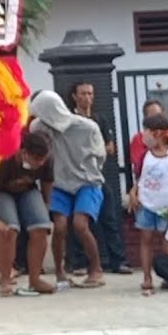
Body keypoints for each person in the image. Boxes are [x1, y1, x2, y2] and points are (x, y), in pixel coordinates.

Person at [28, 90, 106, 289]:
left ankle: (96, 269)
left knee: (81, 224)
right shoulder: (38, 128)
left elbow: (101, 156)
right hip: (59, 183)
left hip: (87, 182)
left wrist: (88, 170)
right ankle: (60, 272)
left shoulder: (88, 127)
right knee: (60, 227)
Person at [0, 131, 55, 297]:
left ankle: (35, 279)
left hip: (28, 191)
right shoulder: (4, 160)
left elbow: (47, 182)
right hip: (1, 192)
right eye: (36, 159)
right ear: (24, 152)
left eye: (43, 160)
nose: (40, 163)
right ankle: (5, 280)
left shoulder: (47, 160)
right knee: (9, 229)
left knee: (41, 227)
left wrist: (45, 206)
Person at [68, 82, 130, 276]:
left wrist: (91, 149)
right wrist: (95, 148)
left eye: (90, 93)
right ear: (74, 97)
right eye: (83, 93)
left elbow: (110, 148)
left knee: (109, 219)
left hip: (98, 177)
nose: (87, 97)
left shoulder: (100, 120)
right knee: (78, 222)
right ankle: (79, 263)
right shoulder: (70, 120)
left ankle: (117, 261)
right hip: (76, 178)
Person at [128, 114, 168, 295]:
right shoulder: (145, 156)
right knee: (145, 240)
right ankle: (147, 277)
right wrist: (134, 193)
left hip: (166, 206)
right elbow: (140, 179)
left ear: (157, 133)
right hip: (146, 204)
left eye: (145, 132)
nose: (143, 136)